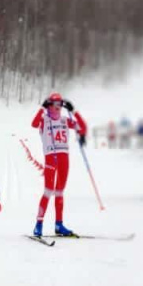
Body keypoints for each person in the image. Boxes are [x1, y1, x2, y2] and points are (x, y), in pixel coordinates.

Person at [30, 92, 87, 237]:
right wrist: (42, 109)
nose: (58, 108)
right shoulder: (44, 120)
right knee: (48, 191)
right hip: (51, 158)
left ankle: (59, 224)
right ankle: (39, 224)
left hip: (64, 159)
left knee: (60, 192)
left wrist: (73, 110)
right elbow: (34, 124)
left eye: (60, 105)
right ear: (49, 105)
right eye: (55, 105)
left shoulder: (64, 120)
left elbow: (82, 127)